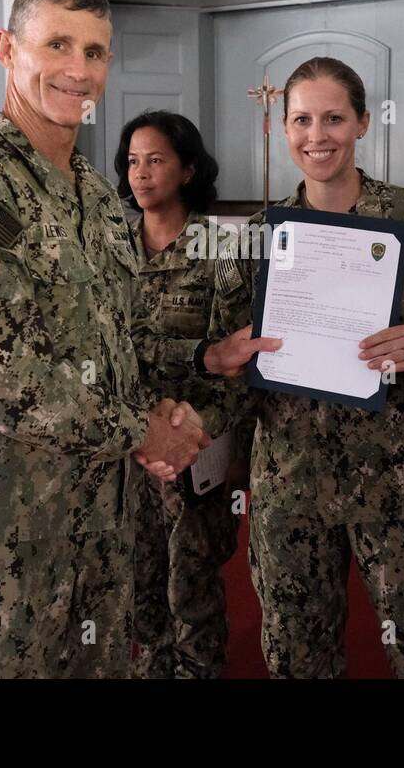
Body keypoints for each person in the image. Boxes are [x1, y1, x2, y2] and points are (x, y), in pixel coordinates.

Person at [0, 0, 210, 679]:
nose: (79, 69)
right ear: (8, 49)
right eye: (58, 45)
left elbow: (111, 337)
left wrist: (181, 384)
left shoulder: (96, 194)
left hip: (95, 518)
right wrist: (143, 431)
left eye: (96, 52)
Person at [204, 56, 404, 678]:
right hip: (290, 490)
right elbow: (224, 362)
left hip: (400, 487)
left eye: (333, 118)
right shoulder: (254, 241)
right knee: (298, 659)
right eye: (301, 120)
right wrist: (223, 365)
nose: (316, 136)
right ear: (280, 128)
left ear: (363, 124)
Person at [116, 110, 247, 678]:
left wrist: (196, 432)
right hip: (127, 443)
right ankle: (152, 665)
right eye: (132, 162)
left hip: (195, 446)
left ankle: (198, 669)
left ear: (188, 168)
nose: (141, 174)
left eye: (156, 160)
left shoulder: (222, 251)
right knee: (135, 573)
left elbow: (239, 366)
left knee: (190, 582)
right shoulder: (110, 248)